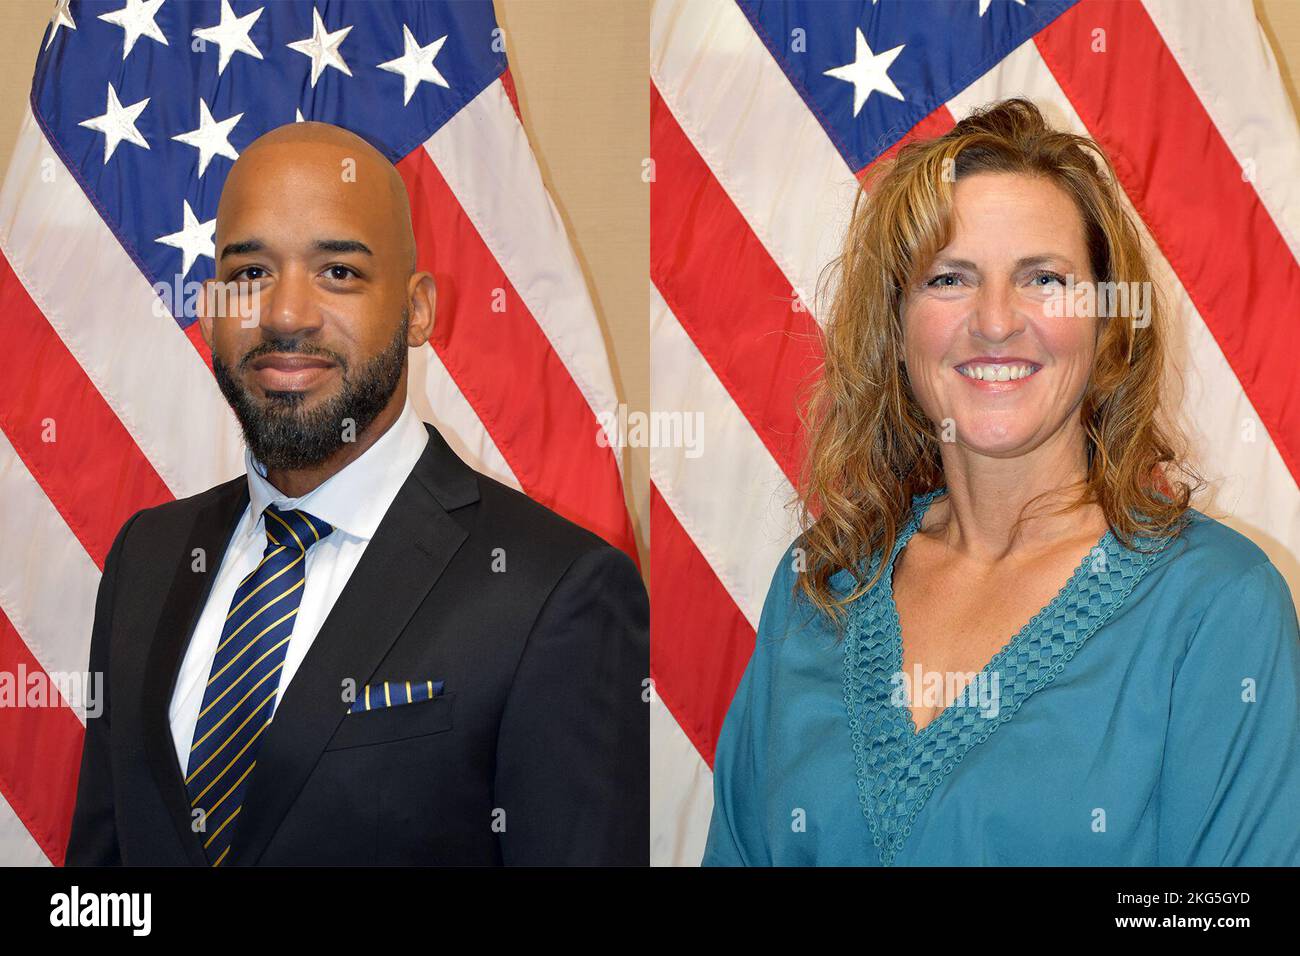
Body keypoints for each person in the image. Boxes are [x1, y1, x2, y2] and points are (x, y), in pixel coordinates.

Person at [703, 99, 1300, 866]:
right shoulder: (820, 586)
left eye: (1043, 280)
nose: (994, 321)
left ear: (1108, 322)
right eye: (949, 278)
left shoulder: (1218, 607)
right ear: (897, 323)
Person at [67, 121, 648, 867]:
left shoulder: (559, 592)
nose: (284, 315)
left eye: (338, 272)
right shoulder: (145, 557)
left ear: (418, 309)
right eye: (250, 273)